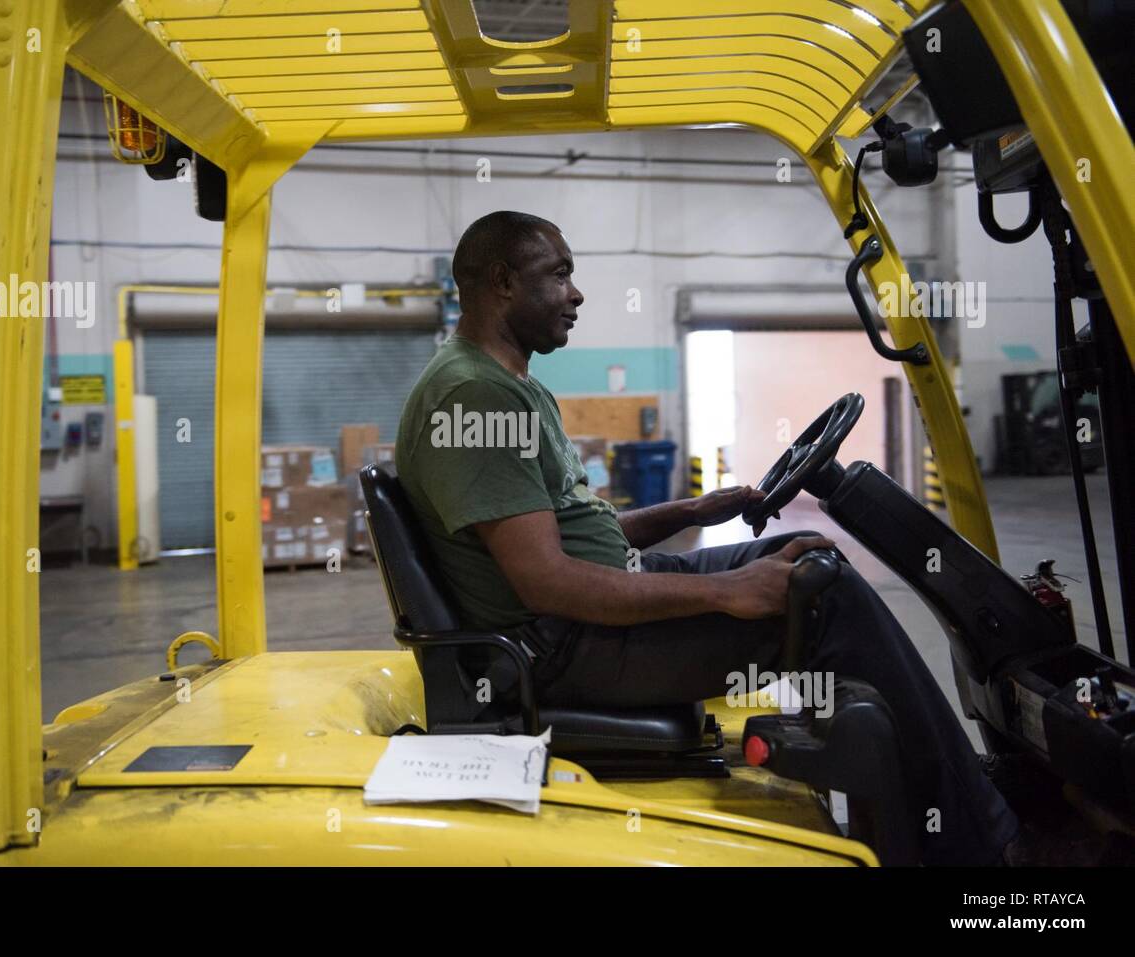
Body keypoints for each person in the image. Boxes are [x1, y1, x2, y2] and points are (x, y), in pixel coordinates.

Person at [394, 210, 1019, 865]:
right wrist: (725, 589)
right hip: (562, 646)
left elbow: (583, 536)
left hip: (590, 610)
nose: (576, 294)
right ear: (501, 283)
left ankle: (940, 797)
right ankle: (977, 839)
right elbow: (546, 579)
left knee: (809, 560)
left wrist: (696, 508)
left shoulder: (507, 385)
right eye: (559, 275)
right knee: (827, 599)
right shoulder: (474, 399)